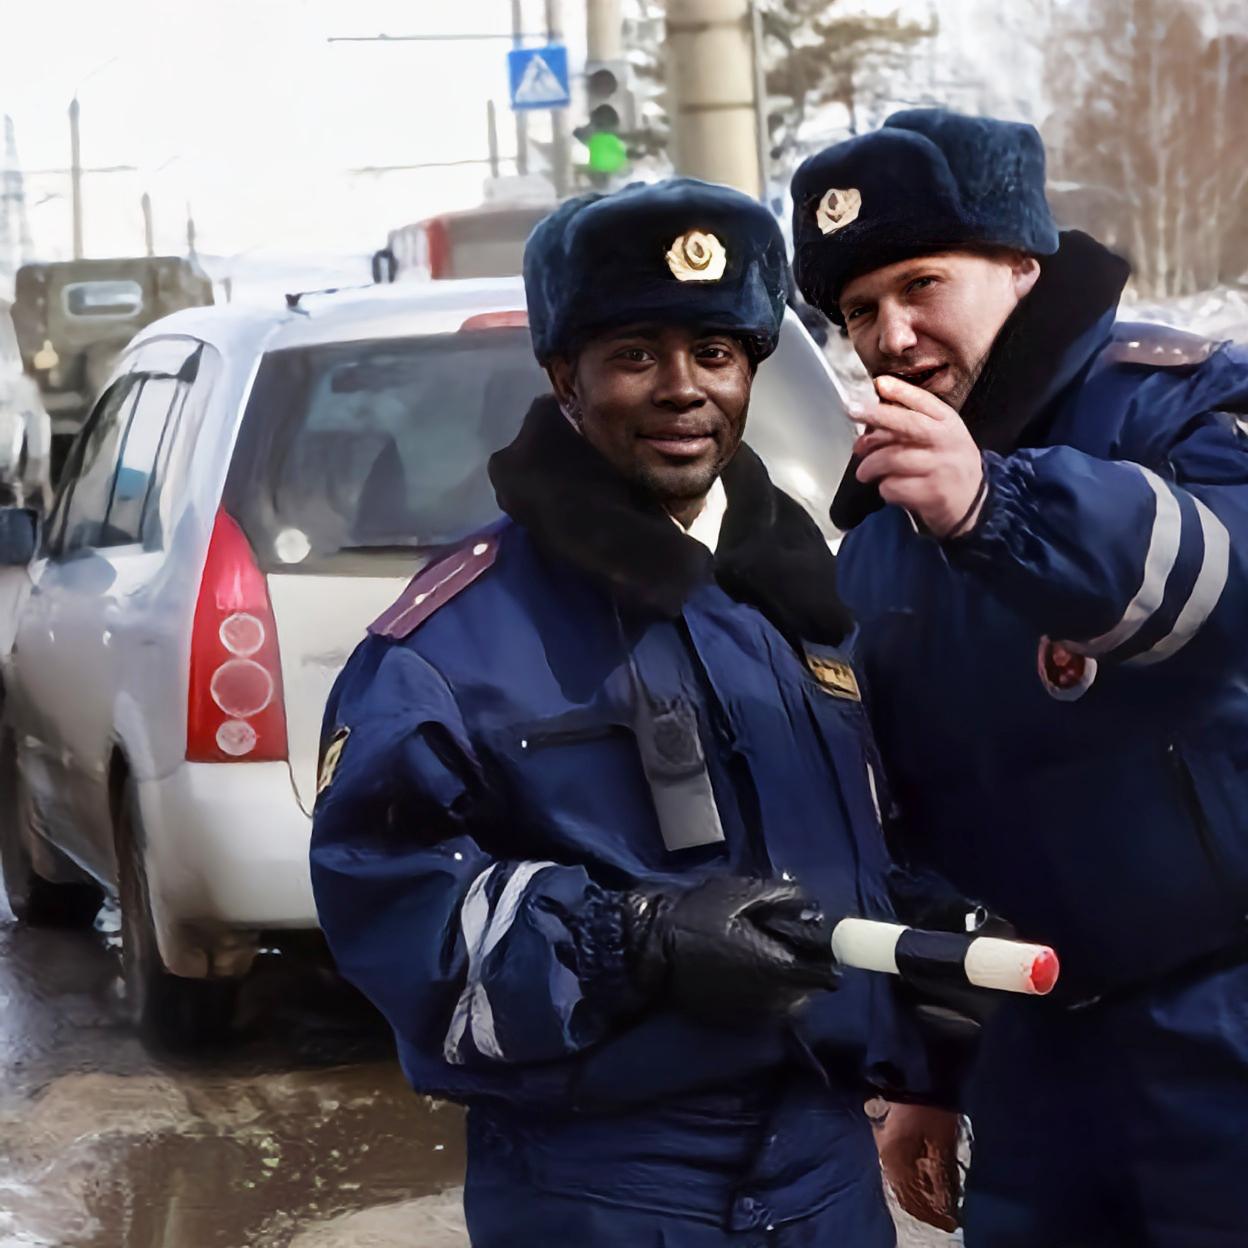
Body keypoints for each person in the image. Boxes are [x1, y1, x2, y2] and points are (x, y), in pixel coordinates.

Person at [310, 178, 952, 1246]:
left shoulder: (806, 608)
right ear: (565, 378)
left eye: (713, 353)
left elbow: (874, 851)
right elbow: (394, 919)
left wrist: (930, 971)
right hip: (605, 1191)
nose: (681, 390)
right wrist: (632, 939)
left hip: (826, 1173)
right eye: (634, 356)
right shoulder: (449, 645)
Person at [791, 107, 1248, 1246]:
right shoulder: (885, 532)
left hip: (1227, 1018)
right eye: (859, 311)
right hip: (1035, 1056)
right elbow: (910, 833)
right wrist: (923, 1070)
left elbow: (1224, 589)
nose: (891, 335)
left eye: (920, 286)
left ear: (1020, 264)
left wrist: (998, 508)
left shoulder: (1176, 404)